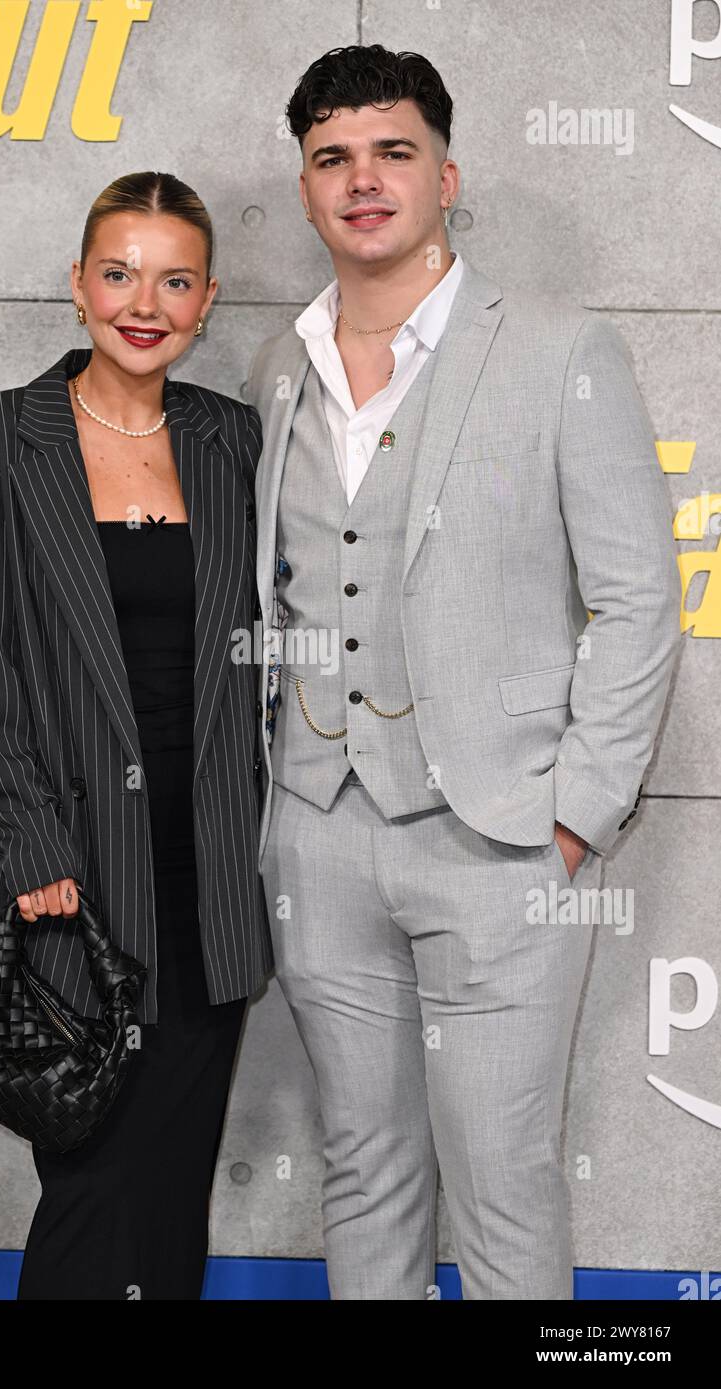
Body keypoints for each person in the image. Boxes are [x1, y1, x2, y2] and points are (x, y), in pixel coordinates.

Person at [246, 45, 681, 1300]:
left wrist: (573, 816)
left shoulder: (559, 347)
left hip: (502, 840)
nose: (363, 179)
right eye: (333, 156)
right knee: (365, 1169)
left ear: (448, 173)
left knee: (502, 1185)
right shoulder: (282, 368)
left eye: (393, 151)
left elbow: (638, 597)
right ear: (307, 185)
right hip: (320, 836)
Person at [0, 172, 273, 1299]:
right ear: (76, 286)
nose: (145, 301)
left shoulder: (232, 441)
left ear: (208, 299)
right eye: (119, 273)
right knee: (97, 1192)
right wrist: (33, 858)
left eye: (175, 279)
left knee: (171, 1199)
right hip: (68, 881)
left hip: (206, 875)